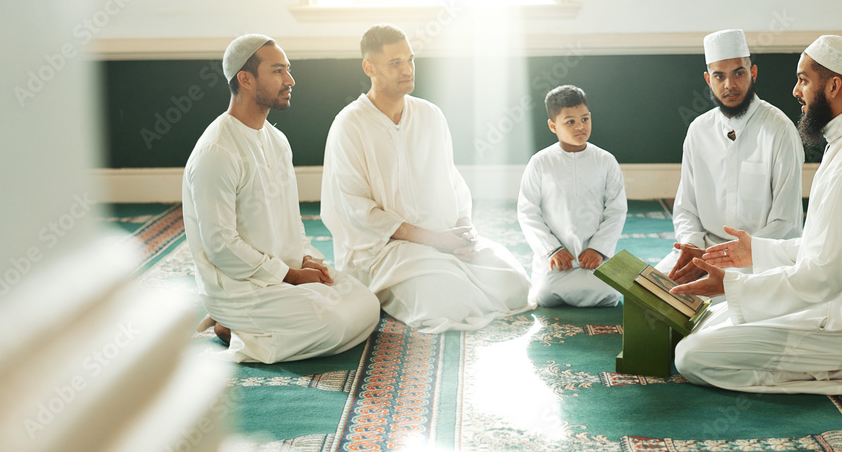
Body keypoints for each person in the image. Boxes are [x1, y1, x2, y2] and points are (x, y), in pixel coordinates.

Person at [670, 35, 842, 395]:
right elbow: (825, 247)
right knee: (700, 324)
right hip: (833, 306)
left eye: (803, 80)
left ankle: (837, 371)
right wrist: (757, 251)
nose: (796, 91)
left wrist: (732, 285)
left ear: (832, 86)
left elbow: (821, 277)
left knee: (691, 356)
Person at [320, 24, 533, 333]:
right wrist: (434, 240)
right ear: (369, 67)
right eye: (395, 63)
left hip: (444, 236)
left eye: (410, 59)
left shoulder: (430, 115)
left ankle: (457, 271)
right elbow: (356, 212)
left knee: (514, 283)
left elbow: (453, 182)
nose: (407, 69)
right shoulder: (349, 125)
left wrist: (463, 230)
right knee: (447, 302)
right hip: (383, 252)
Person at [182, 34, 380, 364]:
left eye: (287, 70)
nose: (290, 80)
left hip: (284, 274)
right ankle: (233, 327)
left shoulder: (277, 139)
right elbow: (220, 245)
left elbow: (289, 217)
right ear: (245, 79)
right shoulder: (216, 151)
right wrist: (289, 276)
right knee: (331, 323)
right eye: (277, 71)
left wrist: (304, 259)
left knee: (368, 304)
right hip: (239, 287)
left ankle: (260, 328)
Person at [660, 29, 804, 282]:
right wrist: (692, 247)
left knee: (719, 306)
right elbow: (686, 208)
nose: (730, 85)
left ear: (753, 73)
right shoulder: (698, 130)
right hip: (704, 249)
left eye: (738, 73)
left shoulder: (779, 130)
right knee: (655, 289)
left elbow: (786, 222)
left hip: (758, 256)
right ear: (708, 79)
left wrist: (727, 255)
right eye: (719, 76)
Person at [517, 85, 626, 307]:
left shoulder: (605, 161)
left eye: (585, 119)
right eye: (570, 122)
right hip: (557, 260)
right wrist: (552, 249)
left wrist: (597, 249)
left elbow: (616, 210)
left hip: (594, 259)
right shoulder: (540, 162)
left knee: (609, 294)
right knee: (546, 295)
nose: (580, 127)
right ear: (552, 125)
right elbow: (528, 212)